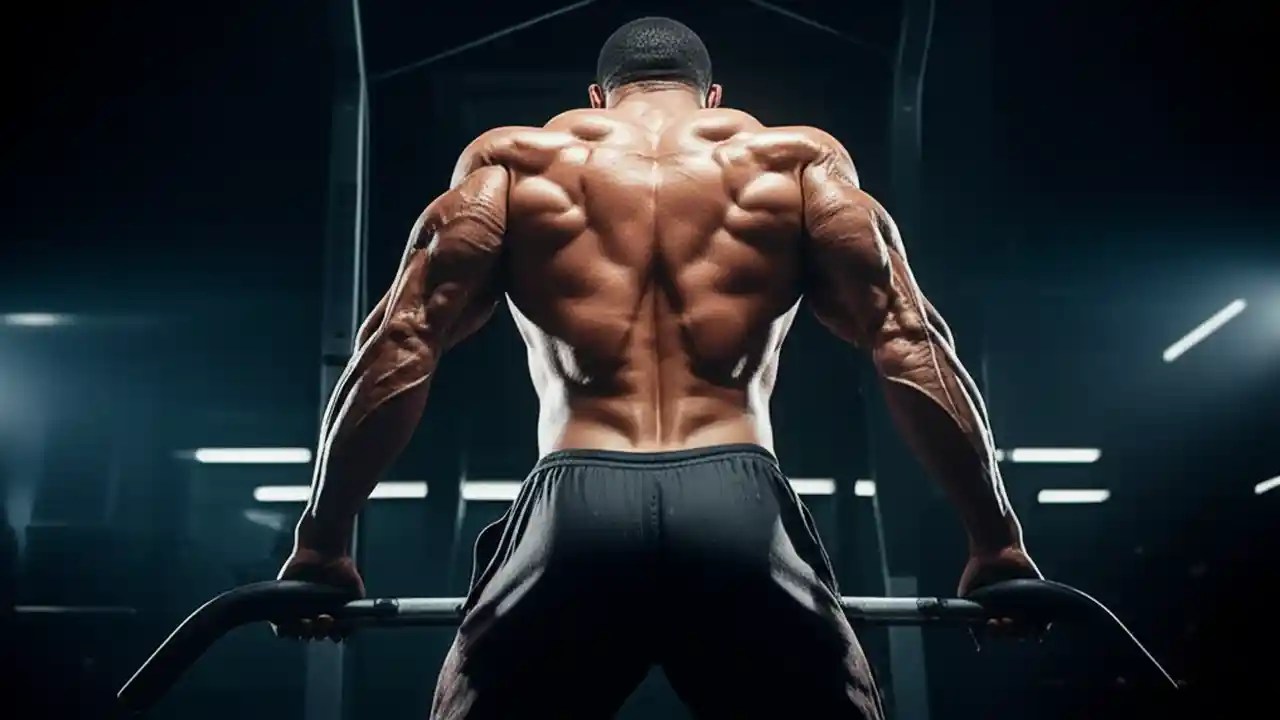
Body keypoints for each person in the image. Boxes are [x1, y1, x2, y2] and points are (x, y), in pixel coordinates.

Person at [276, 16, 1043, 719]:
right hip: (737, 502)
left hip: (575, 504)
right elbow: (909, 340)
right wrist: (996, 540)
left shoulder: (512, 162)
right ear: (712, 97)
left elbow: (402, 340)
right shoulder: (797, 161)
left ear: (597, 98)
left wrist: (322, 541)